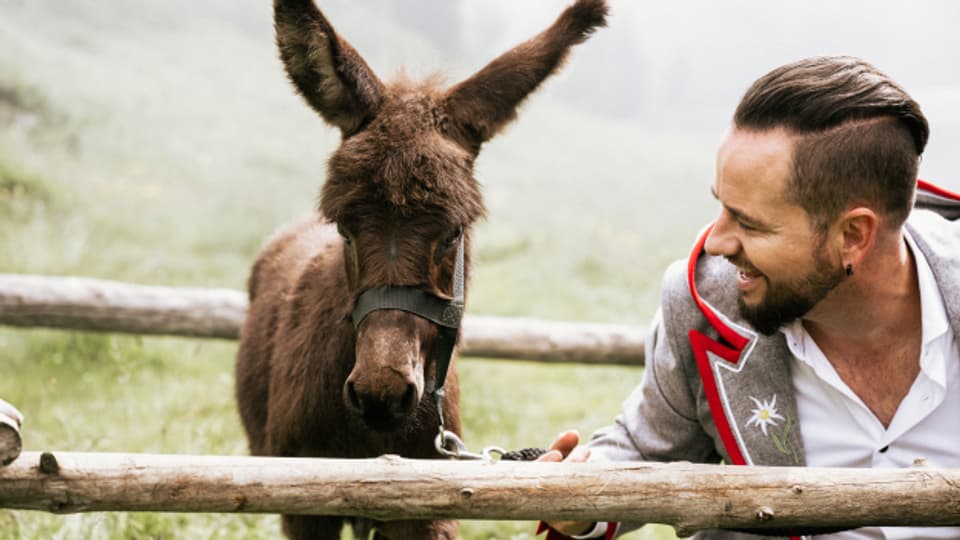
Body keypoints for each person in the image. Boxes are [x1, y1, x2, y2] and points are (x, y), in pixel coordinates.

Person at [537, 56, 960, 540]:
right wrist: (582, 496)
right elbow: (646, 449)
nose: (716, 242)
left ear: (853, 235)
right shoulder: (702, 301)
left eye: (750, 223)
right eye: (721, 206)